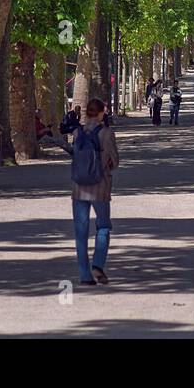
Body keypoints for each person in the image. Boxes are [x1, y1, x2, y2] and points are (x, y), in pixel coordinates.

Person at [71, 98, 119, 286]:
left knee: (80, 232)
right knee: (103, 226)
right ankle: (98, 264)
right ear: (100, 113)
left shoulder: (77, 132)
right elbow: (114, 161)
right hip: (100, 186)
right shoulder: (106, 133)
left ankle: (84, 275)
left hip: (78, 187)